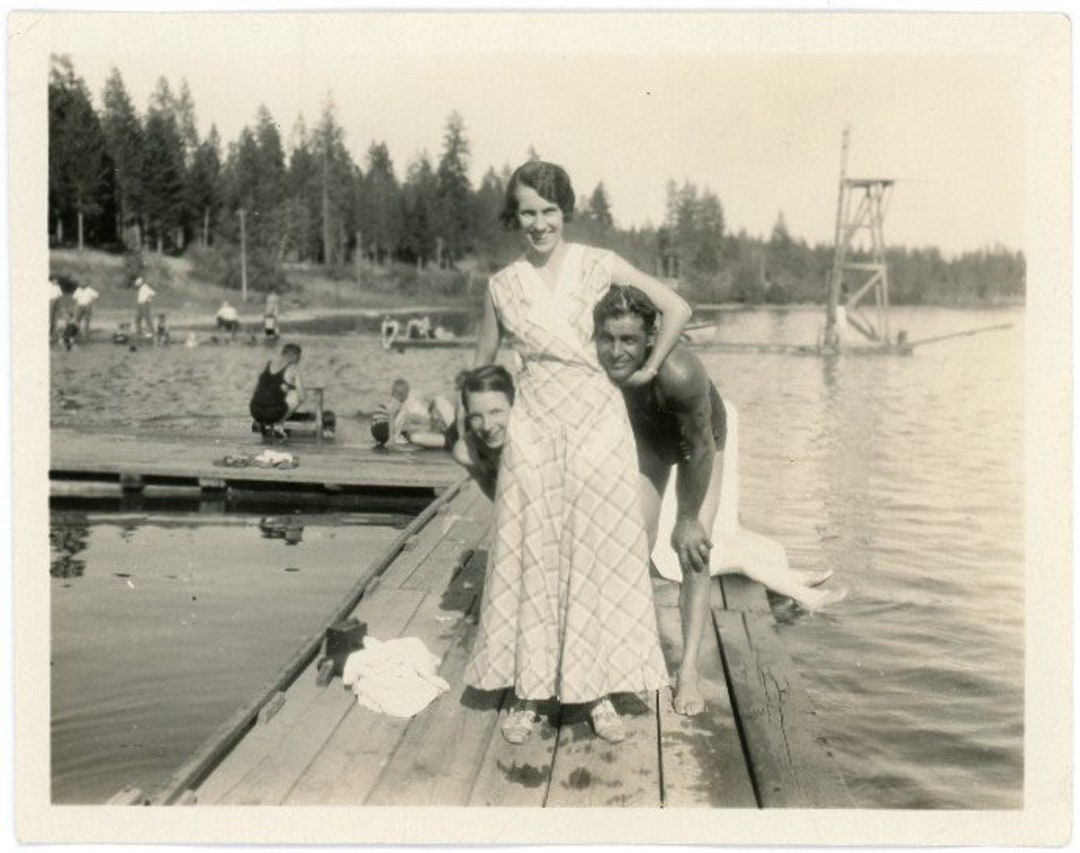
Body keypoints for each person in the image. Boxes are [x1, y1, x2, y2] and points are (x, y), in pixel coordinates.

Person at [464, 160, 692, 745]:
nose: (538, 224)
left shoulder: (599, 265)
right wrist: (488, 422)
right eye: (526, 213)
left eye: (548, 212)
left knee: (599, 553)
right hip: (534, 429)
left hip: (596, 426)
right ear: (512, 216)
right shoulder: (502, 285)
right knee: (532, 552)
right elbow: (481, 367)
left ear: (565, 212)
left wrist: (645, 370)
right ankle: (530, 693)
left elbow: (676, 308)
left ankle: (598, 692)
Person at [592, 284, 846, 716]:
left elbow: (700, 450)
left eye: (629, 340)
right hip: (649, 442)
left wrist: (688, 518)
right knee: (631, 541)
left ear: (652, 337)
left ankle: (686, 670)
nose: (616, 351)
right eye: (608, 339)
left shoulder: (681, 372)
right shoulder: (595, 366)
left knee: (693, 550)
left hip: (702, 441)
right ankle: (623, 654)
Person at [452, 365, 514, 502]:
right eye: (476, 416)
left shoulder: (539, 443)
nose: (487, 426)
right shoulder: (467, 452)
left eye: (495, 412)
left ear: (514, 406)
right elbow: (497, 500)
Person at [249, 342, 304, 439]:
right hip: (272, 413)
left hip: (255, 410)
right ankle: (278, 424)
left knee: (266, 394)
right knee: (295, 395)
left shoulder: (266, 364)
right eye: (299, 358)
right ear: (295, 356)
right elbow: (302, 396)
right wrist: (290, 389)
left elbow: (257, 388)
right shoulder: (293, 368)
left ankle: (260, 422)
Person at [369, 378, 429, 446]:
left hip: (375, 430)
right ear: (403, 394)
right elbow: (391, 418)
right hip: (383, 428)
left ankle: (385, 438)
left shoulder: (389, 402)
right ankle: (396, 437)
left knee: (400, 417)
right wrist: (391, 438)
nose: (408, 396)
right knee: (405, 413)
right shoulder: (397, 403)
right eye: (407, 393)